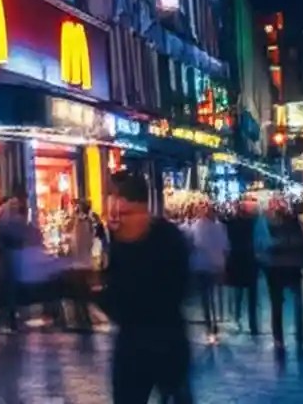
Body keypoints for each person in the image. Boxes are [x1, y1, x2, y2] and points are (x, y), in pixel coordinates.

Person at [103, 171, 192, 404]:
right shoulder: (166, 235)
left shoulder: (131, 242)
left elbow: (120, 297)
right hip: (162, 338)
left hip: (147, 341)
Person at [256, 196, 303, 355]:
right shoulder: (292, 222)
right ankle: (296, 336)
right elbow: (302, 243)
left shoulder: (267, 223)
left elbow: (263, 245)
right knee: (293, 303)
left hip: (278, 267)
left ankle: (280, 338)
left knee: (278, 304)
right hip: (288, 266)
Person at [189, 202, 229, 345]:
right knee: (214, 296)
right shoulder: (219, 227)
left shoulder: (196, 227)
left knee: (206, 298)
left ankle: (209, 326)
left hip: (202, 265)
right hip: (216, 265)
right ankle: (214, 323)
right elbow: (225, 246)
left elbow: (195, 244)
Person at [0, 195, 26, 334]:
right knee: (10, 292)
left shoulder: (0, 218)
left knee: (5, 292)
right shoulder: (15, 220)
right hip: (11, 259)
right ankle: (10, 321)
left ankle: (4, 321)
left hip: (4, 260)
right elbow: (20, 238)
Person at [224, 200, 259, 335]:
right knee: (252, 297)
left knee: (237, 295)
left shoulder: (231, 224)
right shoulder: (252, 224)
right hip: (250, 260)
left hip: (236, 261)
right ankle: (253, 324)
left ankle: (237, 320)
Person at [64, 201, 97, 333]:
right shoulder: (89, 223)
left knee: (79, 294)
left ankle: (82, 320)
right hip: (86, 262)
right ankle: (85, 320)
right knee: (83, 294)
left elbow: (75, 243)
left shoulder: (80, 223)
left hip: (78, 264)